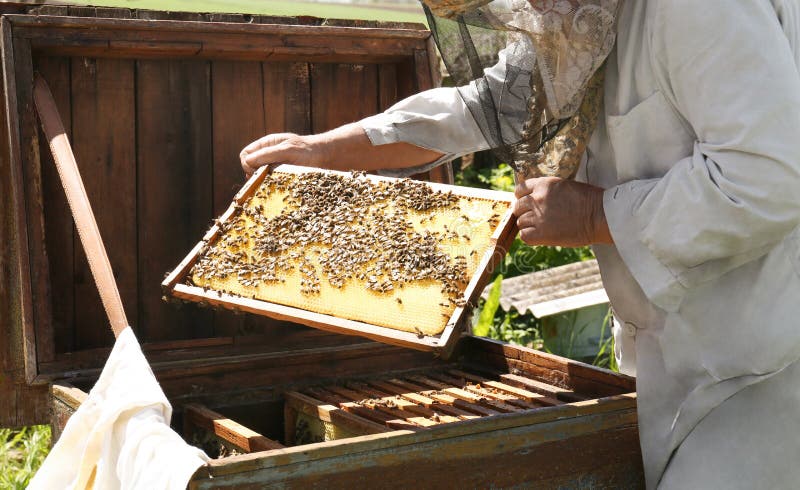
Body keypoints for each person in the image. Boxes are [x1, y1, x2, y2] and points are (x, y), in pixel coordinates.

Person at [240, 1, 800, 488]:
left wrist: (592, 214)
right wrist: (323, 150)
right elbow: (484, 105)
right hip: (669, 358)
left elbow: (770, 180)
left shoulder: (702, 8)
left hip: (761, 368)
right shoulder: (578, 17)